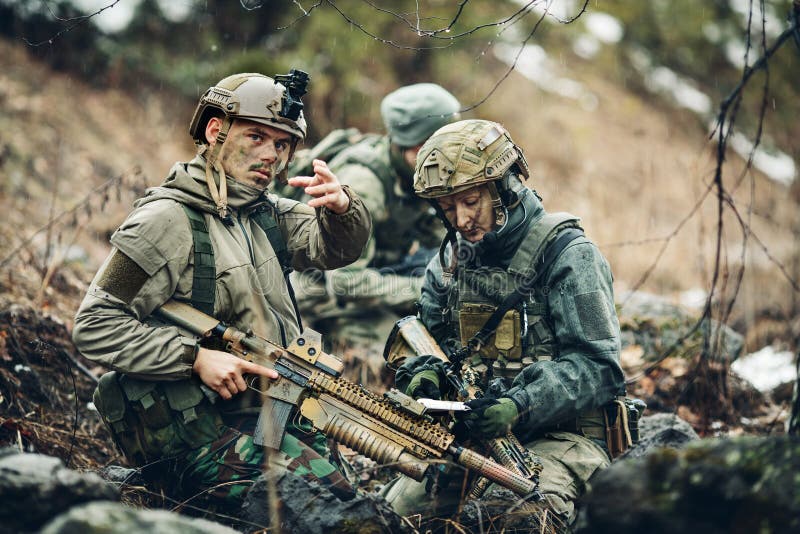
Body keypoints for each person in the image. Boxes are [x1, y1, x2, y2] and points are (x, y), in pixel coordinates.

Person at [72, 72, 371, 512]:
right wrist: (194, 358)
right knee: (331, 508)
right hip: (196, 427)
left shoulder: (262, 213)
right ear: (216, 131)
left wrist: (343, 208)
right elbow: (94, 324)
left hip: (266, 408)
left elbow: (334, 248)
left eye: (282, 144)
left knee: (348, 500)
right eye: (256, 137)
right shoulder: (164, 220)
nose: (271, 154)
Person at [381, 119, 626, 528]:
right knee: (390, 518)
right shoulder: (449, 263)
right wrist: (423, 374)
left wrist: (521, 404)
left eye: (470, 201)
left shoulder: (569, 255)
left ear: (505, 188)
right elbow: (429, 342)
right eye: (447, 208)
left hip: (565, 436)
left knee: (511, 519)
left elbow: (599, 368)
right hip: (474, 436)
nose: (461, 220)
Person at [287, 83, 461, 358]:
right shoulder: (366, 184)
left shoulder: (415, 174)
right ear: (416, 144)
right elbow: (345, 283)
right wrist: (427, 289)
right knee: (413, 358)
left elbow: (441, 240)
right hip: (326, 297)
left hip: (379, 277)